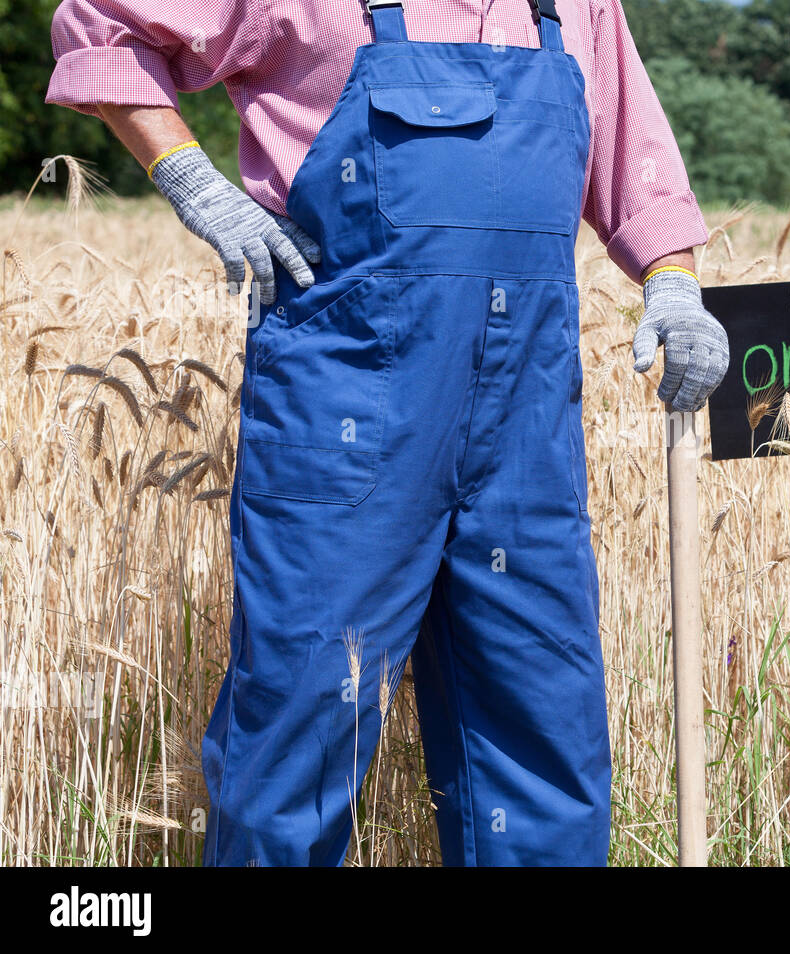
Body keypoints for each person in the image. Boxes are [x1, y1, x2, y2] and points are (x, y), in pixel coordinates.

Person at [46, 0, 729, 866]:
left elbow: (635, 153)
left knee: (543, 733)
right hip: (349, 425)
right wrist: (193, 180)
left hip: (525, 439)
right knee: (299, 732)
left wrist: (673, 282)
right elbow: (99, 27)